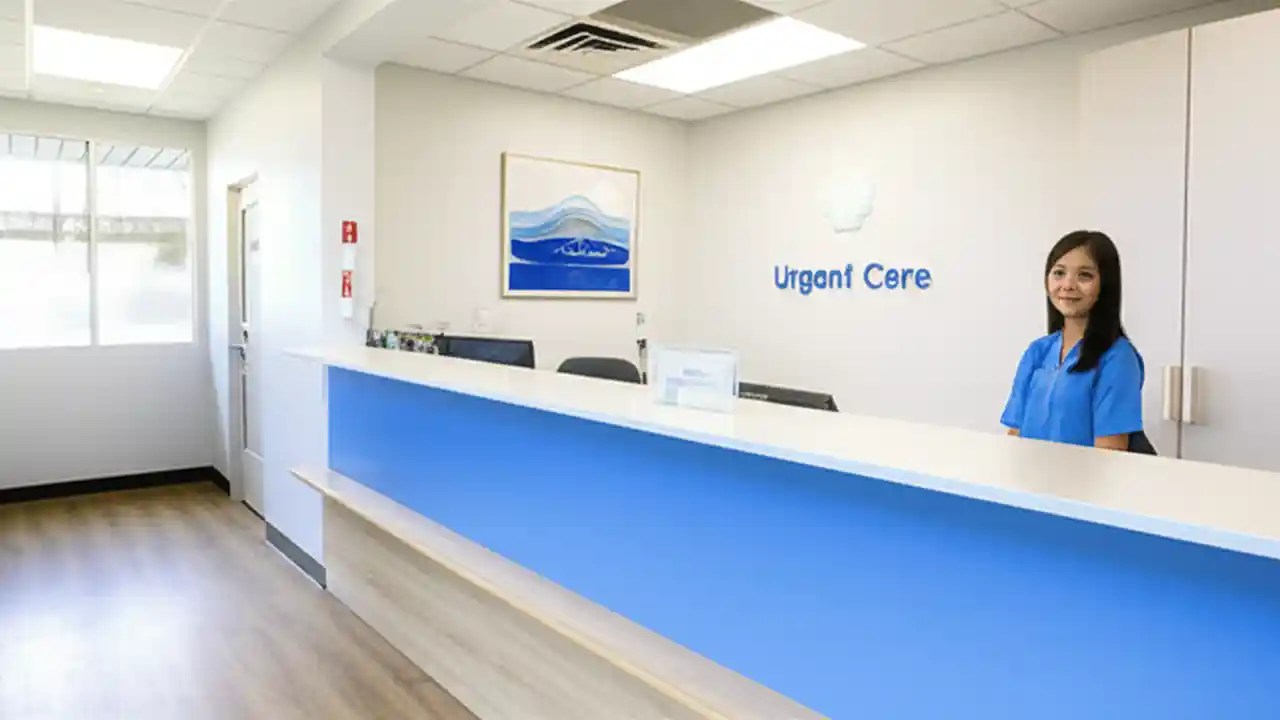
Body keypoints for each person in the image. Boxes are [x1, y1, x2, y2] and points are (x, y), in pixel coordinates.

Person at [1001, 230, 1144, 450]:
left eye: (1084, 275)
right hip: (1029, 471)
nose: (1068, 285)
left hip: (1084, 474)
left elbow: (1110, 452)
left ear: (1105, 284)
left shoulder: (1117, 358)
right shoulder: (1038, 351)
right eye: (1059, 273)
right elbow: (1014, 434)